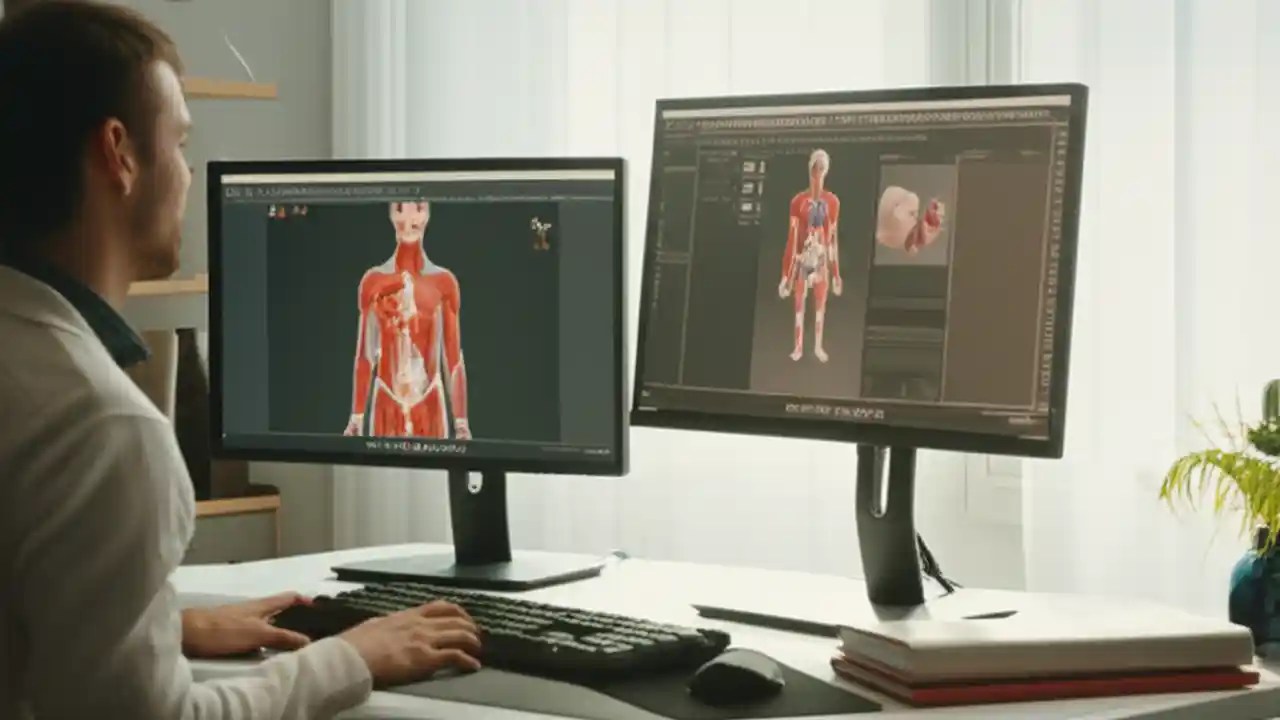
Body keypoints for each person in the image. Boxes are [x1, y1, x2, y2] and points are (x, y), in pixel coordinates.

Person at [0, 2, 481, 718]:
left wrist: (171, 625)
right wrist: (348, 657)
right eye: (183, 144)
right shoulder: (101, 425)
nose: (190, 176)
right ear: (119, 153)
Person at [343, 200, 471, 440]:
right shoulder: (374, 282)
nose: (410, 217)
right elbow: (365, 354)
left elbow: (453, 357)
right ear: (392, 213)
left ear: (427, 213)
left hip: (429, 397)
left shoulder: (444, 283)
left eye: (418, 206)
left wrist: (461, 424)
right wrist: (356, 418)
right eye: (401, 205)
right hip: (387, 397)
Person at [778, 149, 842, 363]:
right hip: (803, 255)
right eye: (815, 168)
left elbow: (832, 238)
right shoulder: (798, 201)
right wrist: (786, 275)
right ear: (810, 169)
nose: (818, 173)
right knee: (799, 301)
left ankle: (817, 346)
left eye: (822, 168)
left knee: (820, 302)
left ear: (827, 171)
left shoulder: (832, 202)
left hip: (821, 255)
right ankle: (798, 346)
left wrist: (836, 273)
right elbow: (792, 237)